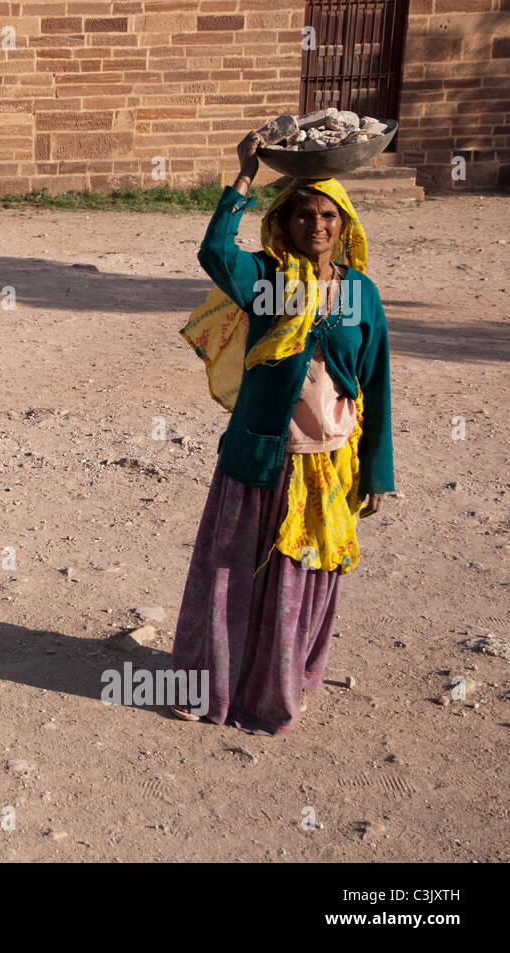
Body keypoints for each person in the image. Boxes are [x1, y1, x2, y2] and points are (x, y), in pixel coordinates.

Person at [171, 131, 394, 735]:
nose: (316, 225)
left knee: (303, 573)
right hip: (262, 456)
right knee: (235, 571)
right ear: (285, 222)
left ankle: (277, 685)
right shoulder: (269, 282)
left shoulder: (361, 295)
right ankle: (215, 684)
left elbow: (376, 385)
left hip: (329, 464)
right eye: (303, 213)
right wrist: (243, 178)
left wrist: (378, 472)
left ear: (344, 225)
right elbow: (215, 251)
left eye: (328, 215)